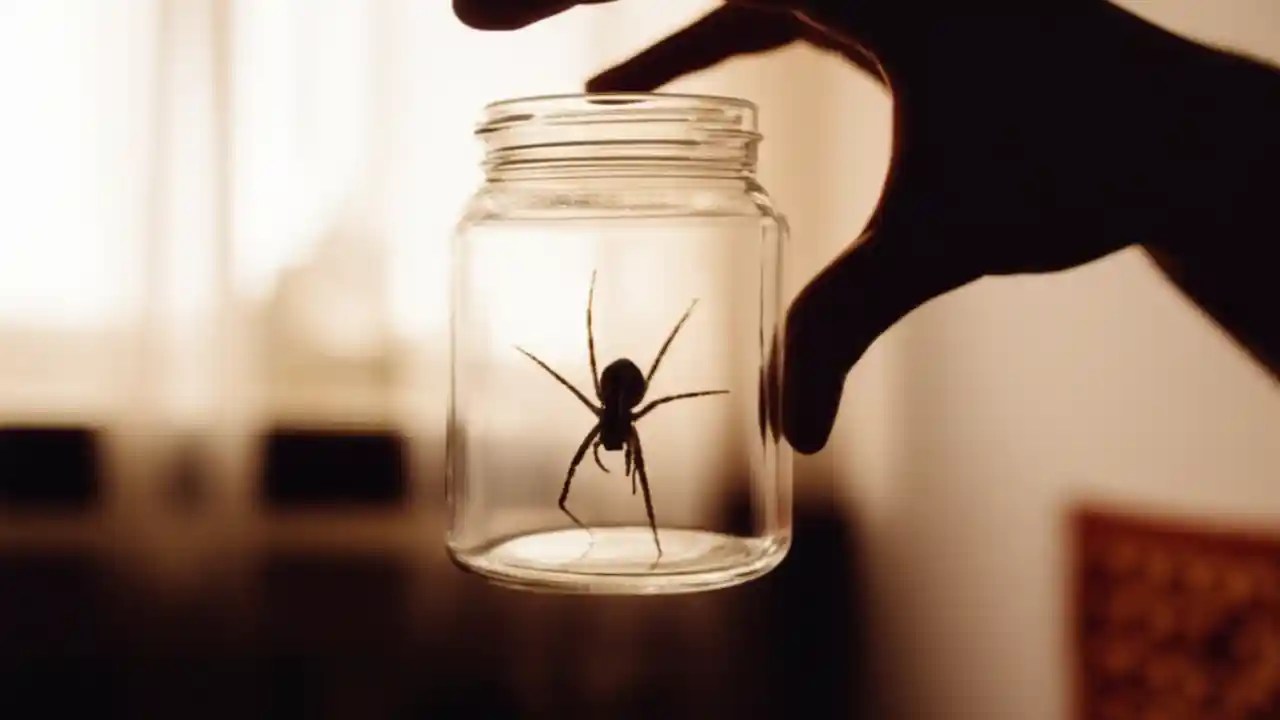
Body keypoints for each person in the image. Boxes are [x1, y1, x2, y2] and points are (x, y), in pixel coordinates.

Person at [454, 0, 1280, 454]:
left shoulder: (613, 415)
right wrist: (1188, 149)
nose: (613, 435)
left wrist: (1188, 150)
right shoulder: (621, 416)